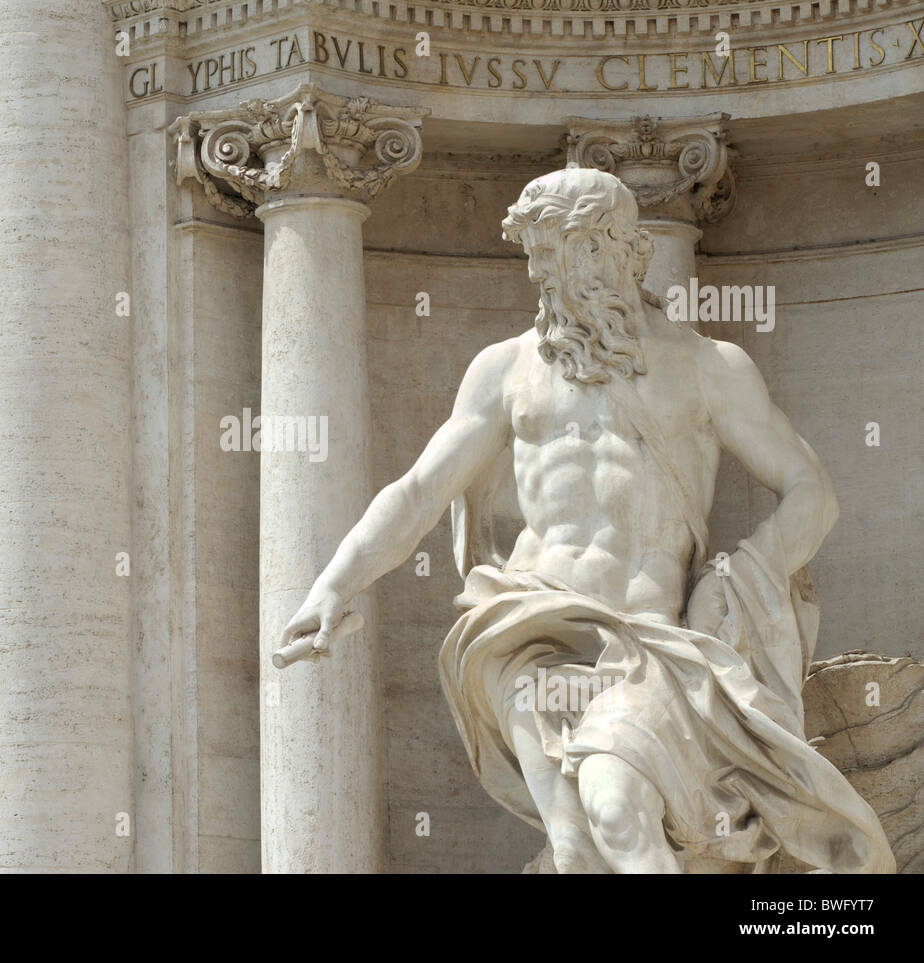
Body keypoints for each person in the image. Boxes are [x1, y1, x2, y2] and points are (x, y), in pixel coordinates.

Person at [279, 167, 894, 873]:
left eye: (554, 250)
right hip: (528, 634)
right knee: (574, 850)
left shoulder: (706, 368)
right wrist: (333, 585)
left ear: (613, 248)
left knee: (617, 808)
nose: (538, 271)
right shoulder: (505, 371)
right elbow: (418, 491)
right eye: (533, 253)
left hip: (647, 643)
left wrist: (739, 574)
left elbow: (811, 490)